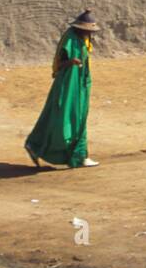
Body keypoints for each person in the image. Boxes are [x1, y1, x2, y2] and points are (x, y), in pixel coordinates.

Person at [25, 11, 100, 168]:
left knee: (79, 117)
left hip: (80, 83)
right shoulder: (70, 38)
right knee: (64, 117)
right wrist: (71, 62)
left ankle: (79, 155)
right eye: (88, 30)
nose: (90, 33)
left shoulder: (83, 38)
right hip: (68, 84)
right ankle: (37, 145)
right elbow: (60, 63)